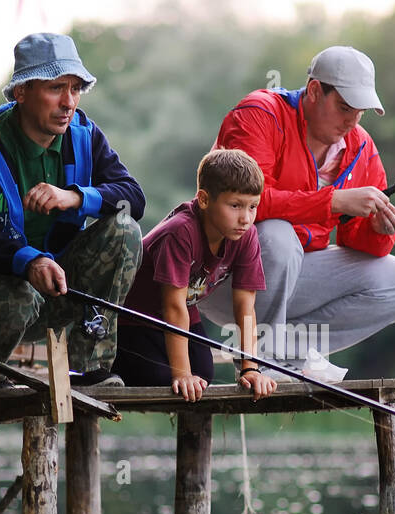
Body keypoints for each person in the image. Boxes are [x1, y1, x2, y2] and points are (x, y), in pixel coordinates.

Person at [197, 45, 395, 380]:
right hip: (221, 280)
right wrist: (333, 201)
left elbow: (361, 247)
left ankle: (280, 353)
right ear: (315, 91)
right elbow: (245, 203)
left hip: (293, 276)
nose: (352, 120)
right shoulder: (260, 114)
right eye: (345, 107)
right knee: (277, 234)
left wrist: (378, 228)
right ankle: (265, 360)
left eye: (360, 111)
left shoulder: (361, 147)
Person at [0, 32, 144, 387]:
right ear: (21, 92)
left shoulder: (84, 133)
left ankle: (85, 368)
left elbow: (133, 198)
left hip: (56, 292)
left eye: (75, 89)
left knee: (124, 229)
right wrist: (30, 261)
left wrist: (75, 197)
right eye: (56, 88)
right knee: (18, 294)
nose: (69, 102)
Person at [112, 149, 278, 402]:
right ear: (203, 199)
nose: (245, 218)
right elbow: (173, 305)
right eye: (235, 206)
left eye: (252, 206)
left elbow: (246, 306)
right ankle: (111, 362)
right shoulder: (181, 232)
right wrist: (181, 374)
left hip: (181, 313)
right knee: (163, 379)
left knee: (203, 374)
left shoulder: (245, 236)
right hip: (132, 316)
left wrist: (250, 368)